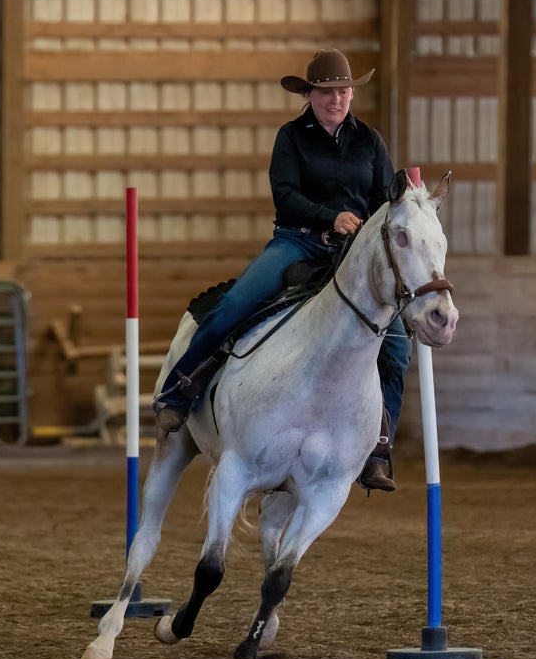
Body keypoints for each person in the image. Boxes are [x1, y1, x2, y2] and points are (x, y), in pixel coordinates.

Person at [152, 48, 411, 492]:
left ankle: (377, 447)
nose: (337, 99)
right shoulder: (290, 138)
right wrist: (330, 217)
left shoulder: (370, 140)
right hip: (297, 240)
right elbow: (285, 195)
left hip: (351, 256)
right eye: (327, 92)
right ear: (309, 95)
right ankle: (180, 389)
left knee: (399, 345)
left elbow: (384, 203)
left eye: (344, 91)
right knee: (237, 302)